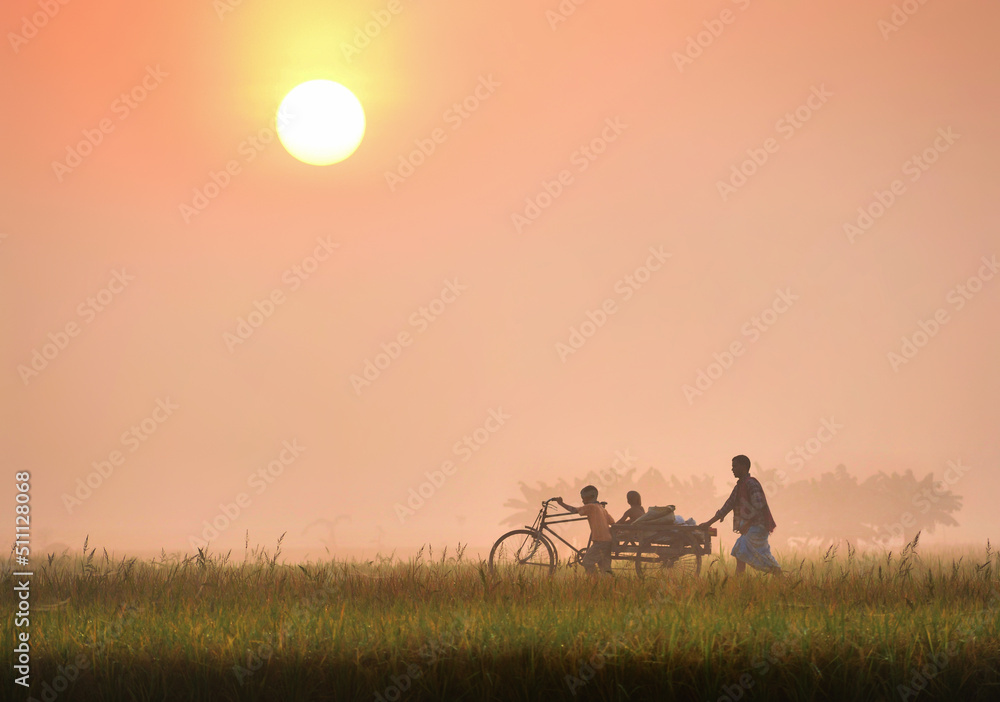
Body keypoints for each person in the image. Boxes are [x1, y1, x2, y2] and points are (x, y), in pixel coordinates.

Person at [700, 455, 781, 575]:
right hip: (751, 528)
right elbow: (727, 506)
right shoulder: (739, 487)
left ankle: (780, 576)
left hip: (757, 527)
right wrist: (708, 523)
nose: (732, 469)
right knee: (739, 552)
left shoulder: (751, 484)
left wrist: (748, 523)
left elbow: (759, 505)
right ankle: (739, 582)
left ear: (744, 467)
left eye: (735, 466)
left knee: (759, 556)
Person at [554, 485, 615, 575]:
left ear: (591, 497)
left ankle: (595, 582)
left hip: (600, 541)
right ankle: (606, 585)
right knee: (605, 568)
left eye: (584, 498)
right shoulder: (601, 508)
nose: (582, 501)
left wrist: (561, 503)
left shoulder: (591, 507)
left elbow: (574, 510)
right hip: (607, 541)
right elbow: (612, 522)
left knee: (587, 562)